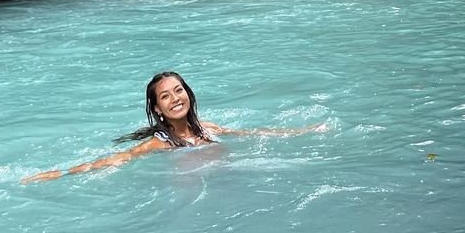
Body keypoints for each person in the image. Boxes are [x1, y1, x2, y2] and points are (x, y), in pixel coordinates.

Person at [22, 70, 325, 183]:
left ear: (188, 93)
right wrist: (61, 174)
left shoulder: (207, 127)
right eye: (165, 96)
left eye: (178, 90)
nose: (175, 99)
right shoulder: (160, 143)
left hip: (226, 182)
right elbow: (117, 159)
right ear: (157, 109)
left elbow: (254, 134)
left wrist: (304, 132)